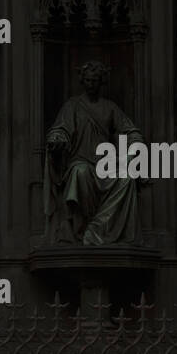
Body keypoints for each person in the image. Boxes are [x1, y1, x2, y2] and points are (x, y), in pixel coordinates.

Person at [45, 61, 147, 246]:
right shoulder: (72, 106)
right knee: (80, 173)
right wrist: (57, 139)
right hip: (80, 162)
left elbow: (130, 131)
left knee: (126, 179)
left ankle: (99, 229)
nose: (91, 84)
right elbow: (60, 130)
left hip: (106, 165)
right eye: (88, 80)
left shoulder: (110, 107)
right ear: (82, 81)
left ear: (102, 82)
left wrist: (134, 146)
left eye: (95, 81)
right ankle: (81, 229)